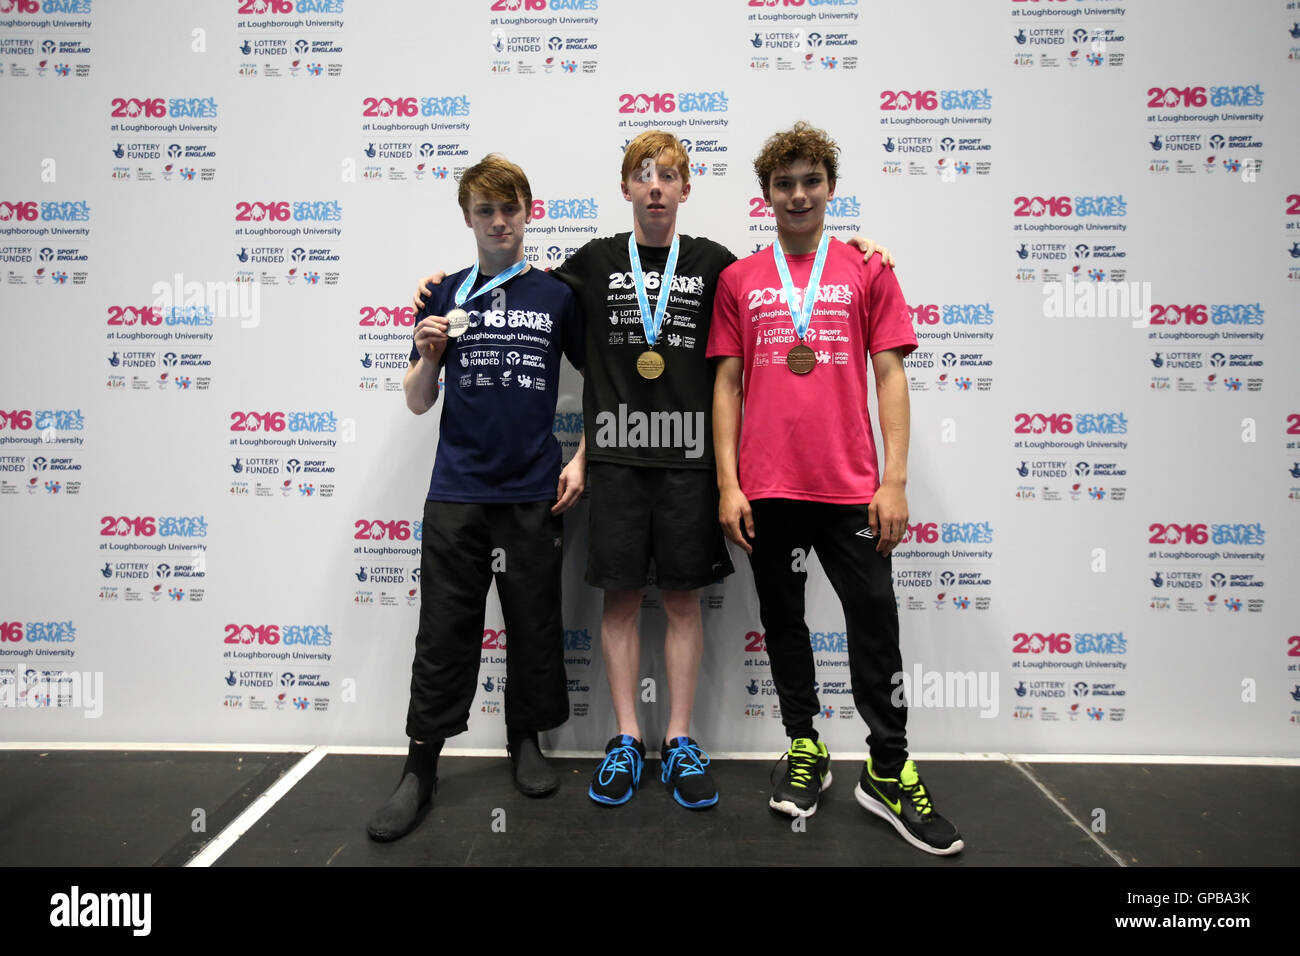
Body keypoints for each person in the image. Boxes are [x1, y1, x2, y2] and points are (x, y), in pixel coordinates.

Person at [414, 131, 894, 811]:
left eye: (669, 175)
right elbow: (514, 287)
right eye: (644, 175)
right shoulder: (590, 263)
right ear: (626, 188)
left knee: (680, 602)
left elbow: (784, 274)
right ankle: (625, 742)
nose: (657, 186)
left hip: (688, 466)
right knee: (616, 602)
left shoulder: (720, 266)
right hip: (613, 463)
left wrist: (867, 249)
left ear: (686, 188)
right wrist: (438, 289)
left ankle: (678, 742)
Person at [709, 122, 963, 855]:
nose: (797, 194)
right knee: (784, 623)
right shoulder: (740, 280)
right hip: (768, 490)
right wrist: (729, 484)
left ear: (829, 187)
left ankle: (887, 769)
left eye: (810, 180)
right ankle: (805, 747)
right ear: (766, 195)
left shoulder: (866, 269)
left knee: (874, 624)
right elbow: (727, 385)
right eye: (784, 183)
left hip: (851, 489)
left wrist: (895, 481)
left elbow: (891, 376)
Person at [367, 154, 586, 842]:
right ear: (468, 218)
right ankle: (420, 766)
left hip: (531, 491)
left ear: (528, 212)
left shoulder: (556, 295)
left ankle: (525, 741)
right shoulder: (443, 295)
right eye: (485, 211)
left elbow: (602, 380)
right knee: (444, 632)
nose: (498, 221)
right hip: (457, 492)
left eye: (509, 208)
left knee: (533, 622)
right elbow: (416, 402)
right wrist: (426, 354)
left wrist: (584, 458)